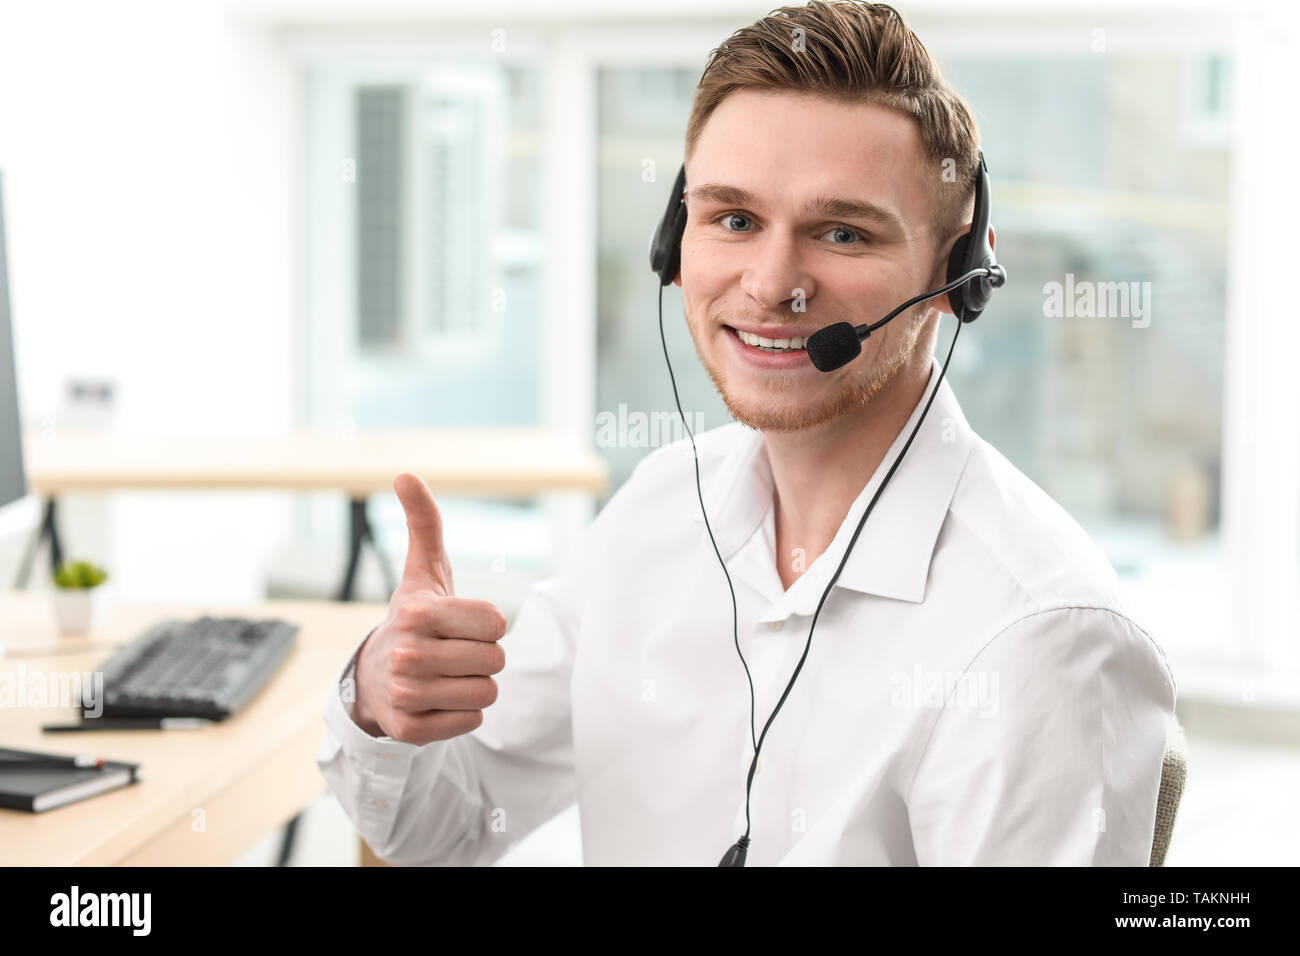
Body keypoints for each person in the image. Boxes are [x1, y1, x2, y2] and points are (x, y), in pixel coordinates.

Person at [317, 0, 1176, 866]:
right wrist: (385, 705)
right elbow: (447, 828)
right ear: (673, 241)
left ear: (960, 271)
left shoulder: (1042, 641)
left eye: (842, 232)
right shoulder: (658, 511)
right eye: (733, 219)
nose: (771, 285)